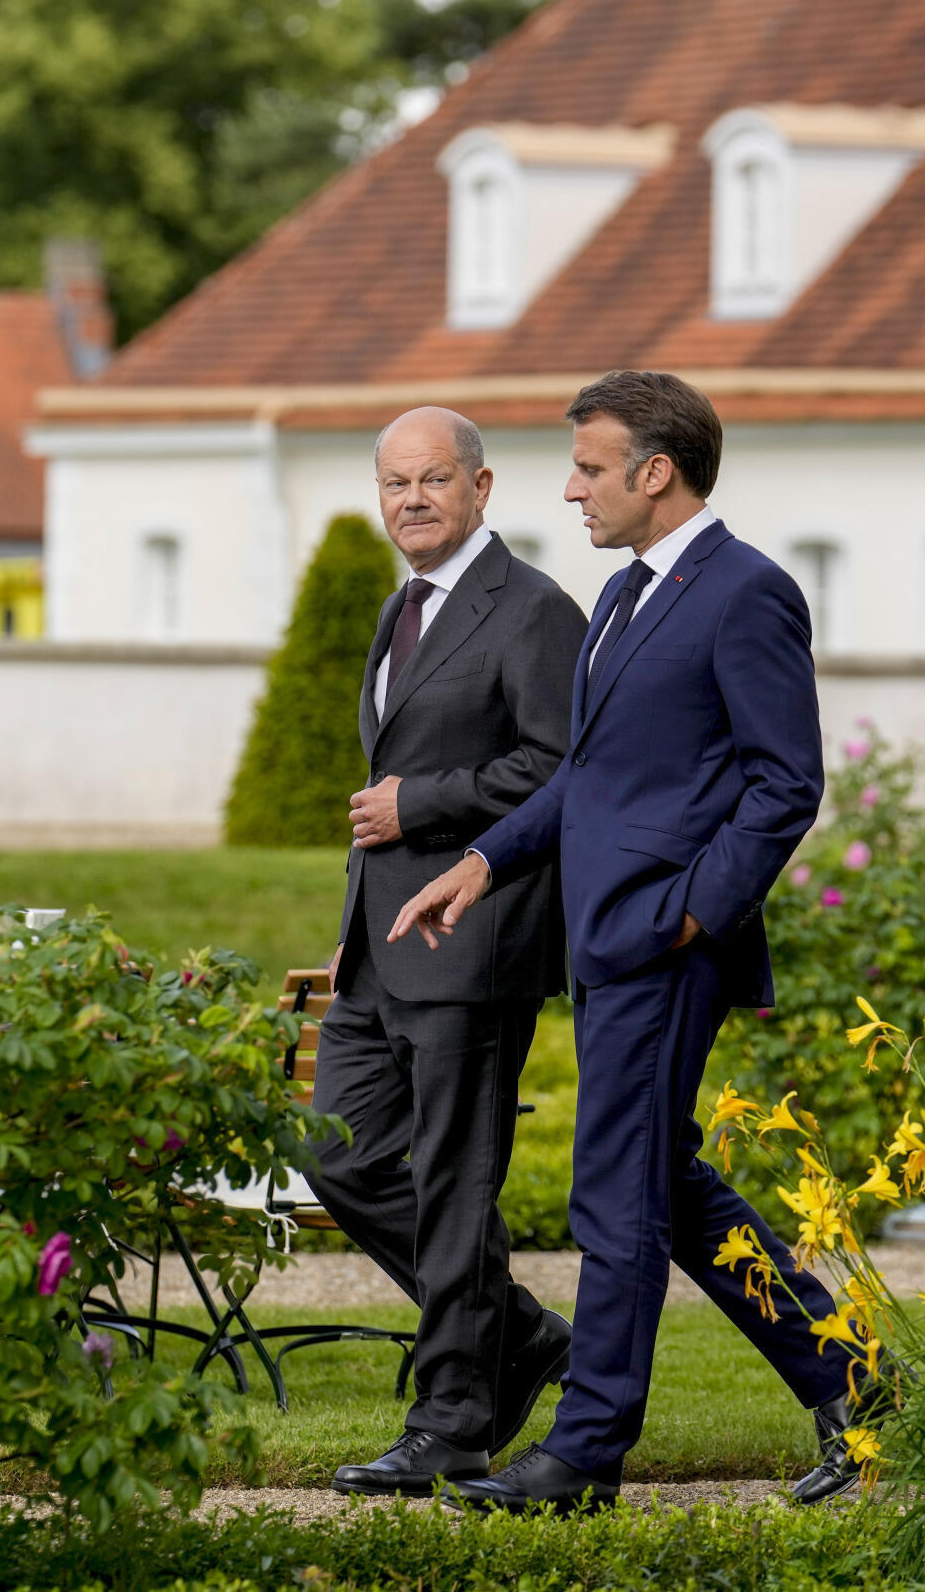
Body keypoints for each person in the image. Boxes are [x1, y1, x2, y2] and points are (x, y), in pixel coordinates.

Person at [388, 371, 863, 1512]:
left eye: (590, 468)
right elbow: (591, 779)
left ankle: (584, 1453)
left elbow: (783, 784)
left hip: (663, 947)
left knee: (617, 1195)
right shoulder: (619, 599)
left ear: (657, 471)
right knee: (665, 1182)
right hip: (607, 942)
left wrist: (690, 911)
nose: (571, 491)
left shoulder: (745, 592)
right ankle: (854, 1375)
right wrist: (484, 860)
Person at [305, 405, 590, 1497]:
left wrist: (417, 803)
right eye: (393, 485)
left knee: (455, 1183)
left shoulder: (530, 613)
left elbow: (562, 770)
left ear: (480, 488)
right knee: (340, 1155)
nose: (410, 500)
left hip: (472, 940)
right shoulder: (401, 609)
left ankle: (453, 1420)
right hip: (376, 948)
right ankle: (516, 1335)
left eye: (432, 480)